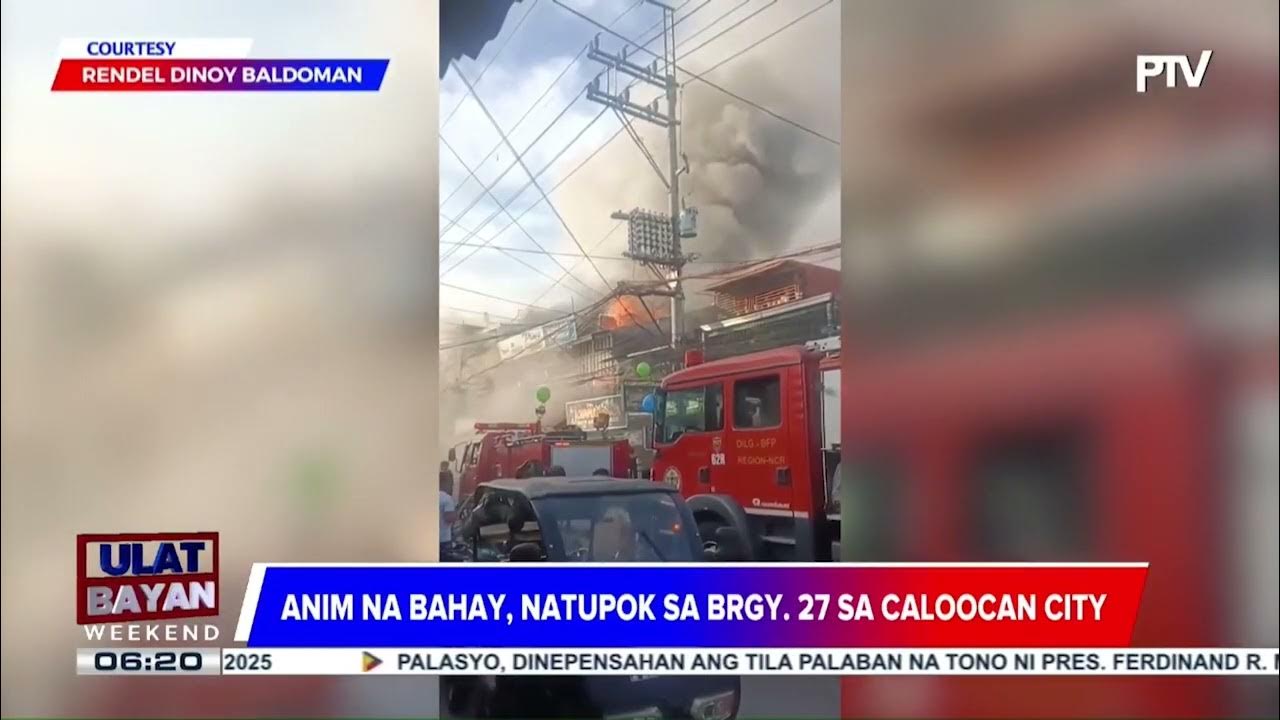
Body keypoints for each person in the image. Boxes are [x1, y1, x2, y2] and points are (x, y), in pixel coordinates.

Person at [438, 470, 457, 561]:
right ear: (445, 482)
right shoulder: (447, 499)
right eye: (451, 483)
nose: (452, 486)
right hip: (444, 540)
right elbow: (449, 518)